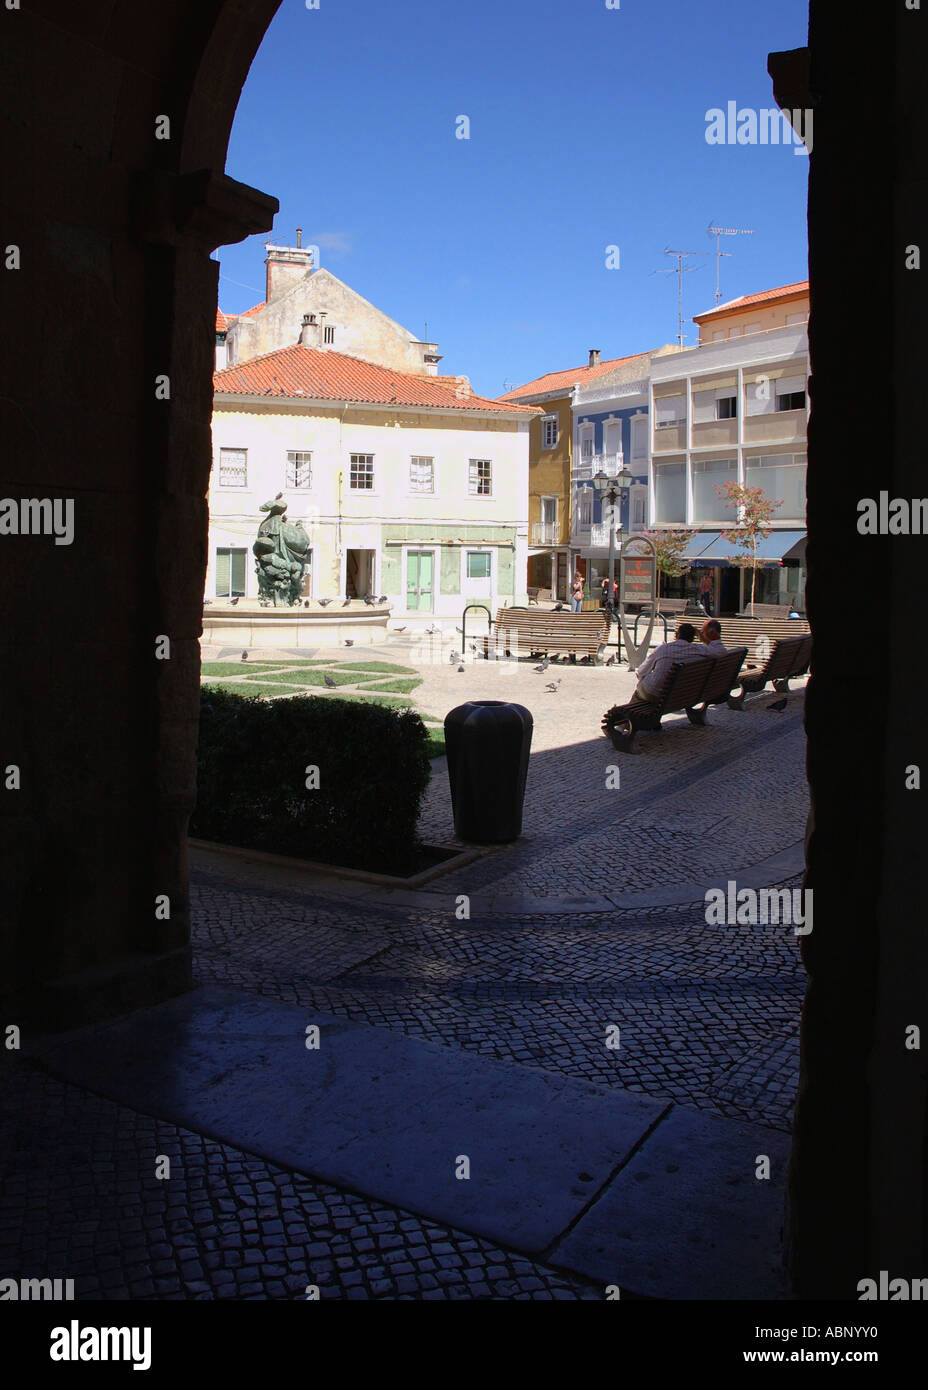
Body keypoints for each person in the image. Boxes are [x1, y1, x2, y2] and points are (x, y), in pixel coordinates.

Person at [633, 622, 707, 702]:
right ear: (693, 638)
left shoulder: (663, 649)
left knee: (641, 685)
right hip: (678, 695)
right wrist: (702, 637)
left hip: (655, 693)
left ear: (676, 634)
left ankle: (625, 712)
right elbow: (718, 650)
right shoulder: (699, 650)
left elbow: (640, 672)